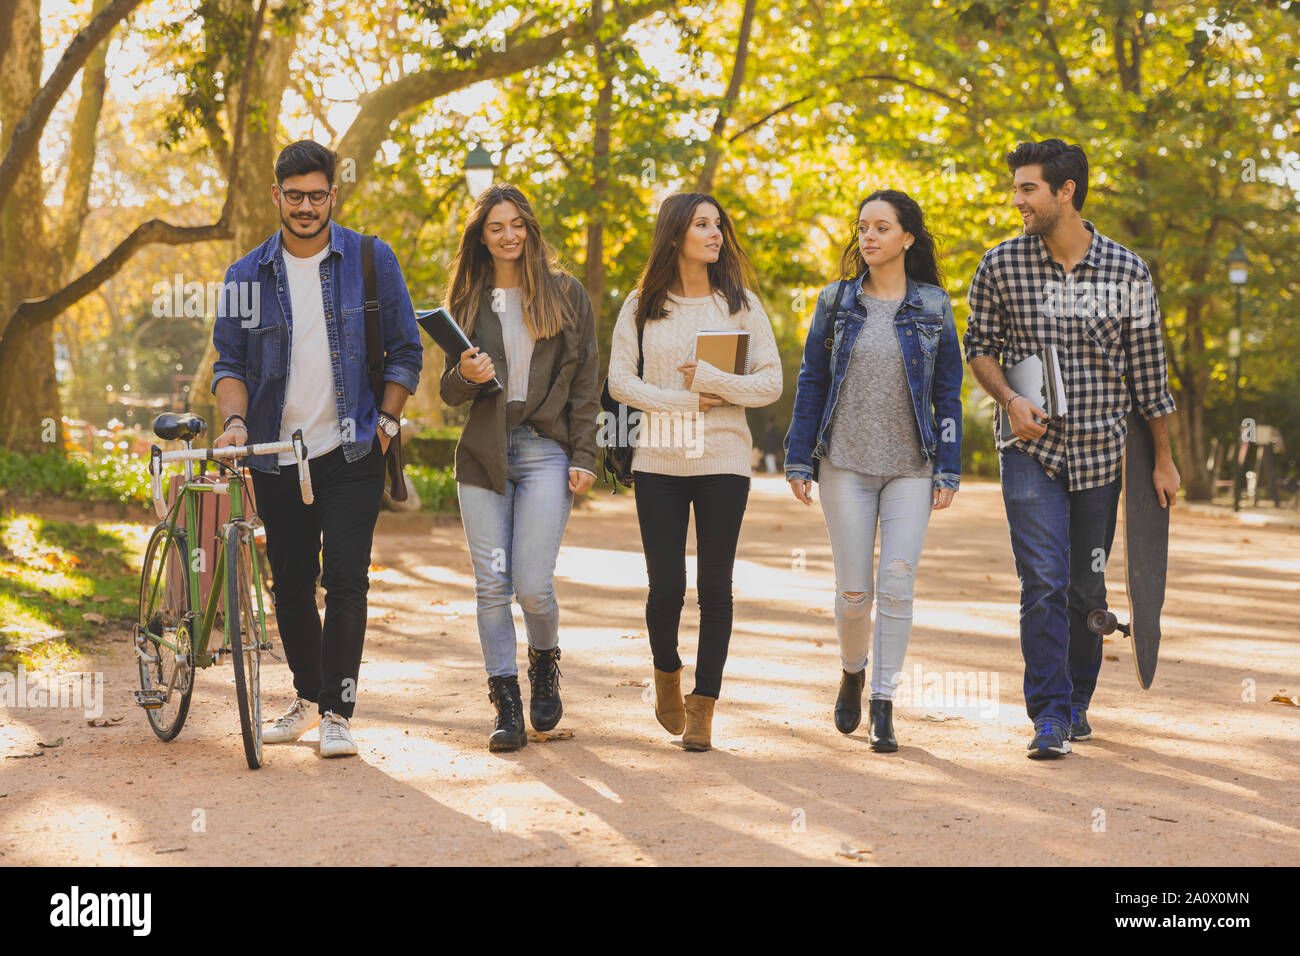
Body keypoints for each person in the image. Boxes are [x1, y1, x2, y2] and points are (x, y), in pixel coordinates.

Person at [964, 139, 1180, 759]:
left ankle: (1078, 699)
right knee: (1042, 580)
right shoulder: (1000, 264)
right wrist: (1008, 398)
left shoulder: (1126, 271)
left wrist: (1162, 460)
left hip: (1100, 456)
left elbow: (1149, 372)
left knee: (1086, 589)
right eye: (1016, 187)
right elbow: (979, 345)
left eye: (1028, 188)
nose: (1017, 200)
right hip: (1029, 451)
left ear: (1066, 192)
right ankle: (1050, 716)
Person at [211, 140, 423, 758]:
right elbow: (230, 363)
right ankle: (308, 697)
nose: (306, 206)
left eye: (318, 195)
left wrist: (385, 424)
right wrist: (234, 423)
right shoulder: (246, 275)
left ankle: (338, 711)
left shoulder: (369, 259)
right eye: (294, 195)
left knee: (347, 580)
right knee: (292, 585)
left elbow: (407, 351)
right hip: (277, 453)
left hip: (354, 449)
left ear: (334, 193)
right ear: (276, 195)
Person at [784, 190, 963, 752]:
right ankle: (852, 669)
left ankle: (883, 701)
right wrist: (798, 456)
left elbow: (948, 392)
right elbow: (812, 380)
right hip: (846, 465)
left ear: (907, 238)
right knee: (855, 592)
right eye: (863, 227)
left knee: (898, 583)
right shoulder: (836, 302)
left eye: (882, 228)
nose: (868, 236)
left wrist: (948, 468)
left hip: (912, 466)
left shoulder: (933, 305)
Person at [607, 191, 782, 752]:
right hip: (658, 458)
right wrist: (683, 402)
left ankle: (704, 704)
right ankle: (667, 673)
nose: (715, 233)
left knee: (715, 588)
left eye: (719, 224)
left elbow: (770, 382)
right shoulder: (640, 305)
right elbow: (619, 383)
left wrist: (716, 382)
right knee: (666, 588)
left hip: (725, 458)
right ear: (676, 232)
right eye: (702, 224)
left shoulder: (741, 304)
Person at [440, 183, 600, 753]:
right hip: (485, 453)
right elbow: (448, 392)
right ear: (481, 238)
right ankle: (506, 702)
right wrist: (469, 376)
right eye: (495, 228)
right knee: (491, 587)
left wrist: (586, 455)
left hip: (544, 450)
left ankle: (545, 661)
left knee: (532, 586)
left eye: (516, 225)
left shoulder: (565, 293)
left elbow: (586, 385)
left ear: (530, 228)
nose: (508, 235)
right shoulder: (467, 301)